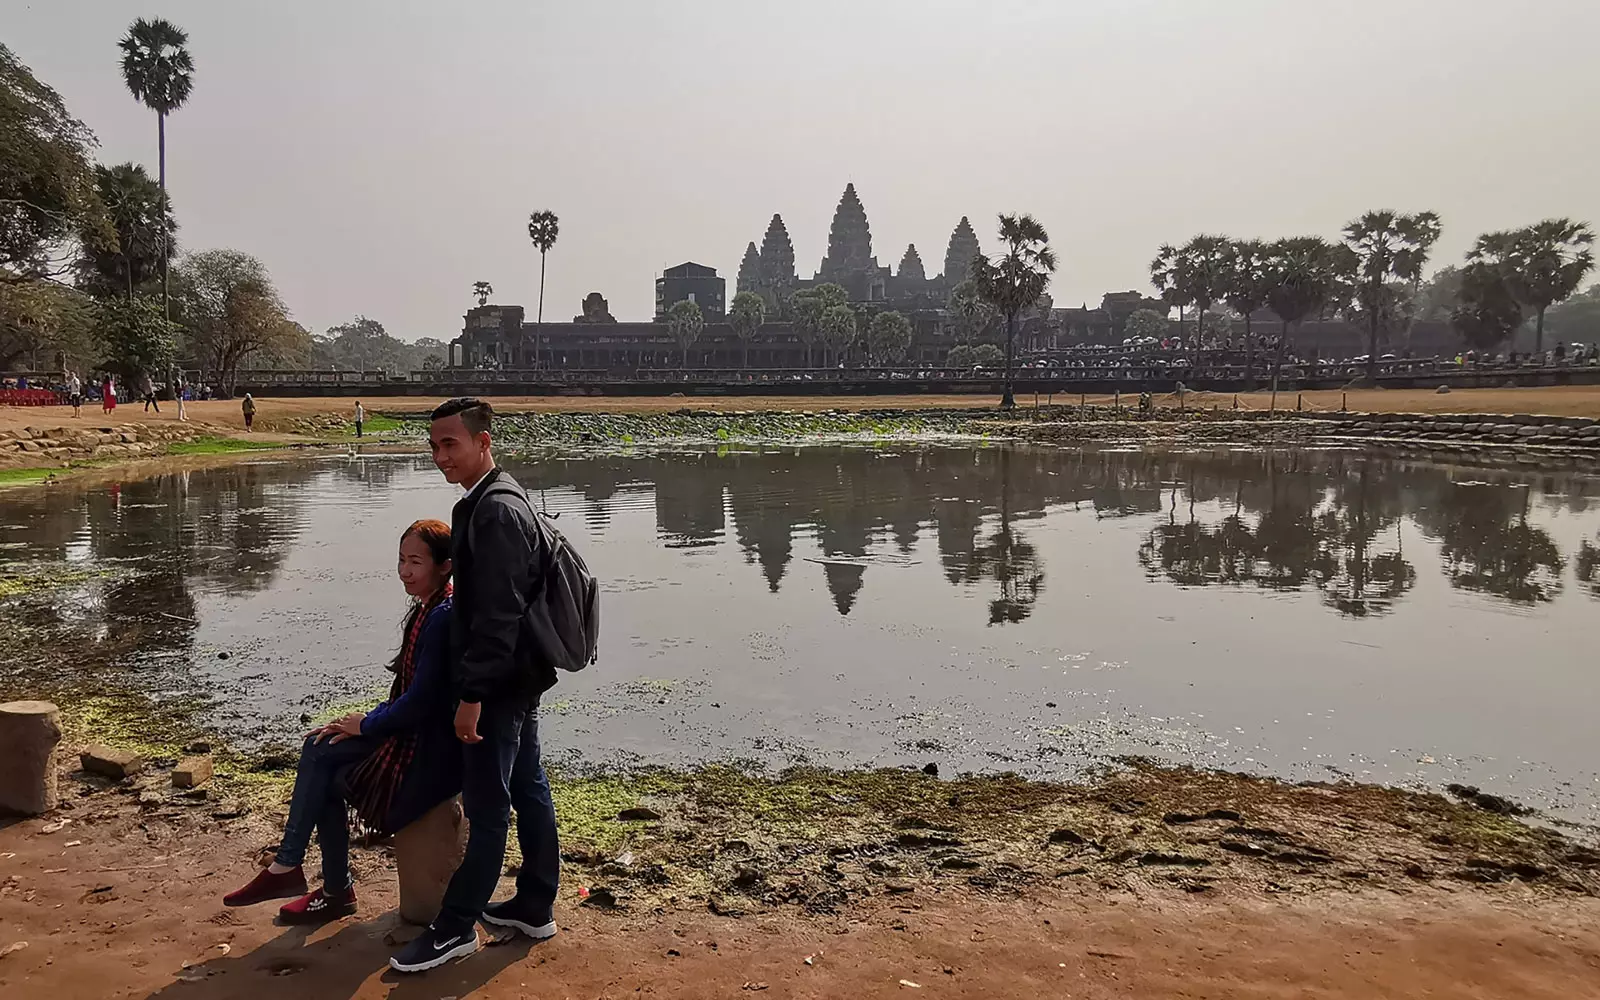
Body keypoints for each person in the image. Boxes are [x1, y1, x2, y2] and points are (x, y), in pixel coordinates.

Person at [389, 398, 561, 974]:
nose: (440, 456)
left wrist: (470, 698)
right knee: (530, 789)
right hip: (516, 677)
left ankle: (455, 927)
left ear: (483, 441)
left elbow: (496, 616)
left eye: (451, 444)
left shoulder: (494, 512)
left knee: (489, 809)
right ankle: (534, 905)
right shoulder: (491, 500)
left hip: (499, 684)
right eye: (434, 445)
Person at [223, 520, 460, 921]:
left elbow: (421, 703)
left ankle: (303, 873)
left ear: (445, 566)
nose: (405, 570)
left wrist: (366, 724)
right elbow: (411, 698)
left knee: (322, 761)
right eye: (401, 560)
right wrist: (366, 722)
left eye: (415, 562)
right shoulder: (428, 609)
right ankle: (323, 884)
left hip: (427, 751)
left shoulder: (441, 617)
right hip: (412, 735)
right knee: (320, 748)